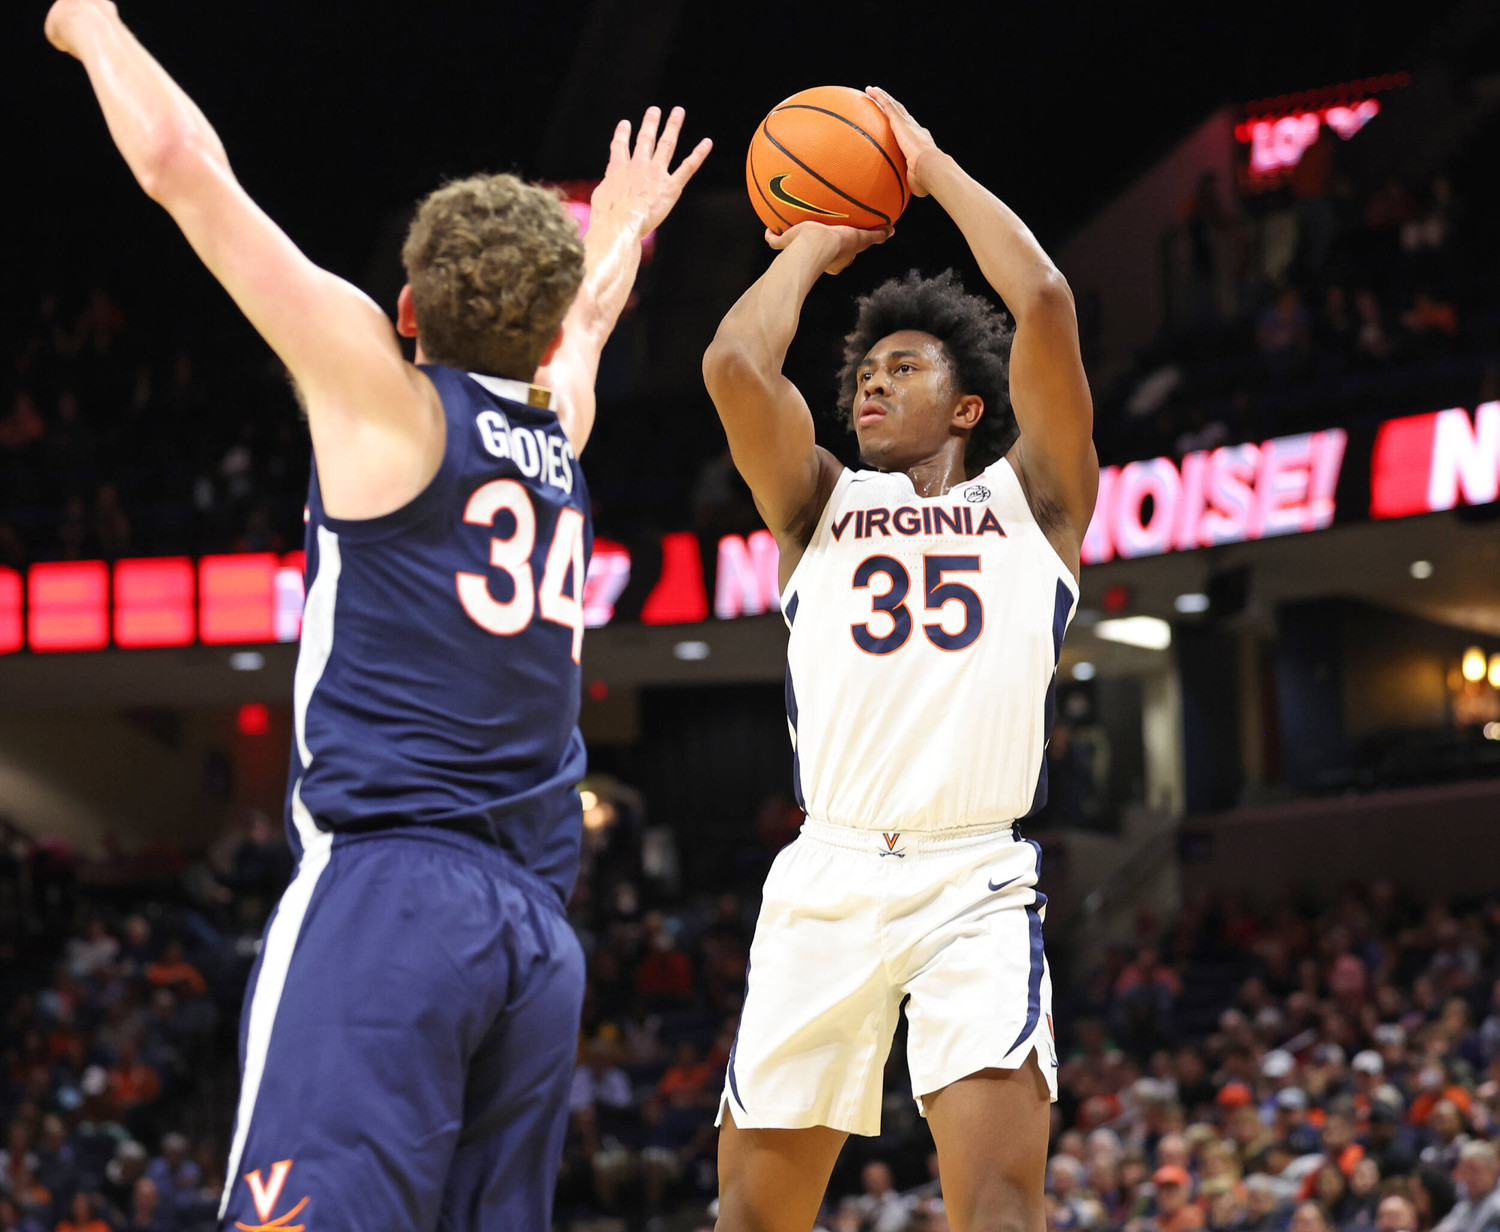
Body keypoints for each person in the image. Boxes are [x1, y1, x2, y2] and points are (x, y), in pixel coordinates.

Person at [44, 2, 710, 1228]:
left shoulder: (389, 400)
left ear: (406, 308)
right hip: (535, 944)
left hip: (395, 899)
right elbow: (591, 327)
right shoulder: (560, 430)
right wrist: (613, 235)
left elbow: (182, 169)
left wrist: (90, 25)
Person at [702, 87, 1097, 1232]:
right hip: (827, 871)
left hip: (973, 878)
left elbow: (1044, 299)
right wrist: (815, 244)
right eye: (862, 371)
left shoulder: (1037, 501)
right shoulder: (818, 499)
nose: (871, 380)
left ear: (971, 403)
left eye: (904, 366)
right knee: (750, 1216)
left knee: (1004, 1207)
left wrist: (927, 166)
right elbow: (735, 364)